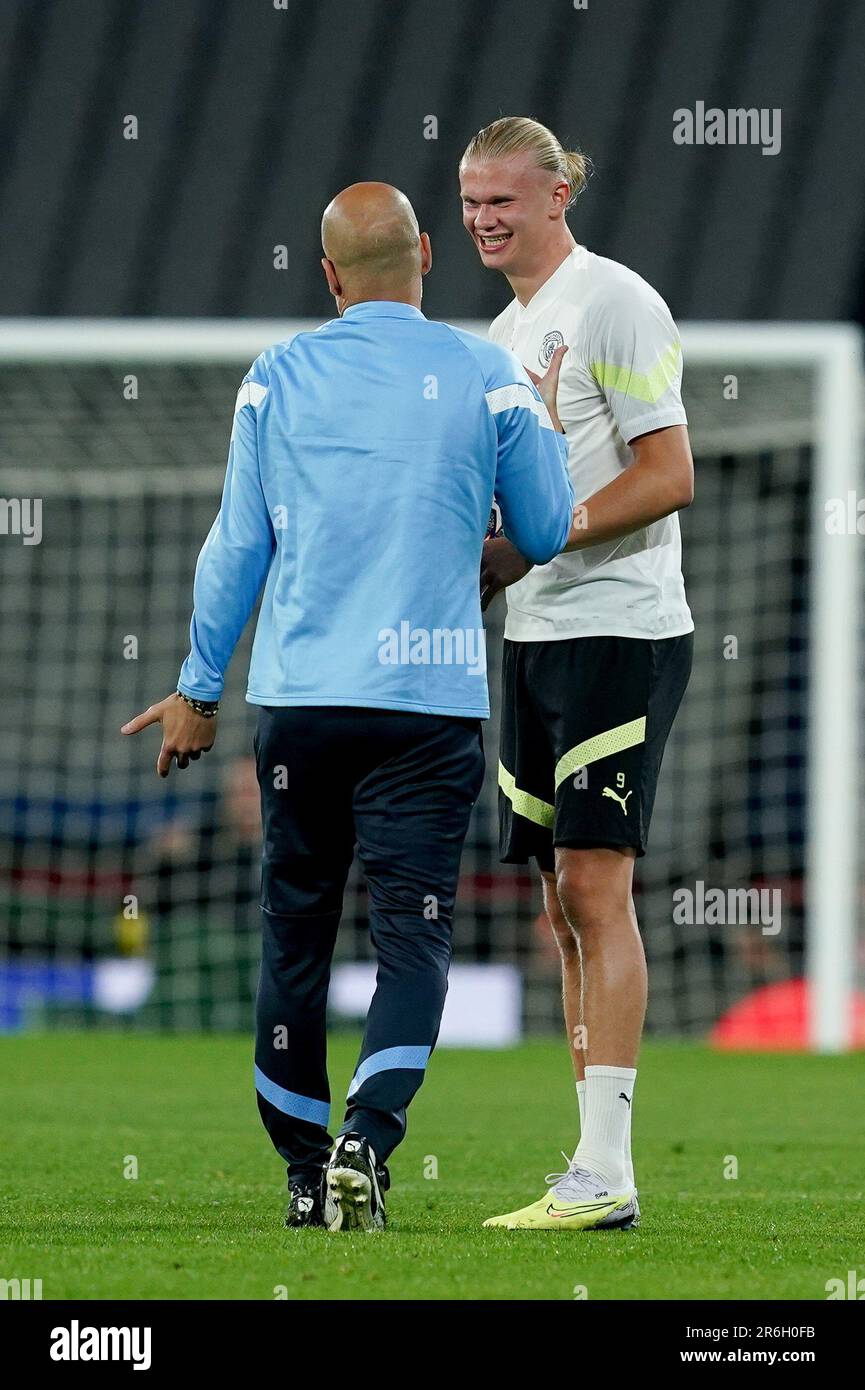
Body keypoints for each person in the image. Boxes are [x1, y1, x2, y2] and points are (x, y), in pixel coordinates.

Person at [121, 182, 574, 1232]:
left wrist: (196, 689)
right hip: (427, 705)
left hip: (303, 704)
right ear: (425, 253)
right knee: (414, 936)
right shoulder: (486, 372)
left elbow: (237, 545)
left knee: (294, 935)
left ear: (327, 276)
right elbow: (546, 529)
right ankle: (364, 1140)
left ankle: (297, 1174)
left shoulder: (276, 378)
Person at [460, 117, 695, 1230]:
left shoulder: (615, 301)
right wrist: (494, 566)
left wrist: (546, 538)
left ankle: (608, 1174)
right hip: (540, 632)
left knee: (597, 885)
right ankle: (588, 1163)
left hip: (620, 625)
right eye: (467, 203)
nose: (481, 220)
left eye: (502, 199)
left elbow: (671, 470)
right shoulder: (504, 330)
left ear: (559, 194)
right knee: (559, 900)